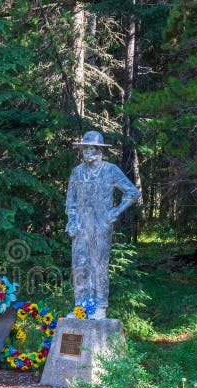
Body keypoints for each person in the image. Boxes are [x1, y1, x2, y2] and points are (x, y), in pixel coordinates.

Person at [66, 131, 141, 319]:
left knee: (99, 265)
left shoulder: (111, 170)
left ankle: (100, 306)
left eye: (90, 148)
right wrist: (72, 220)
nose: (86, 152)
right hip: (81, 226)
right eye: (84, 148)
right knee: (80, 265)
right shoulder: (77, 172)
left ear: (100, 150)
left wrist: (116, 211)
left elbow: (132, 192)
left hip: (101, 225)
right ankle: (81, 307)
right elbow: (70, 202)